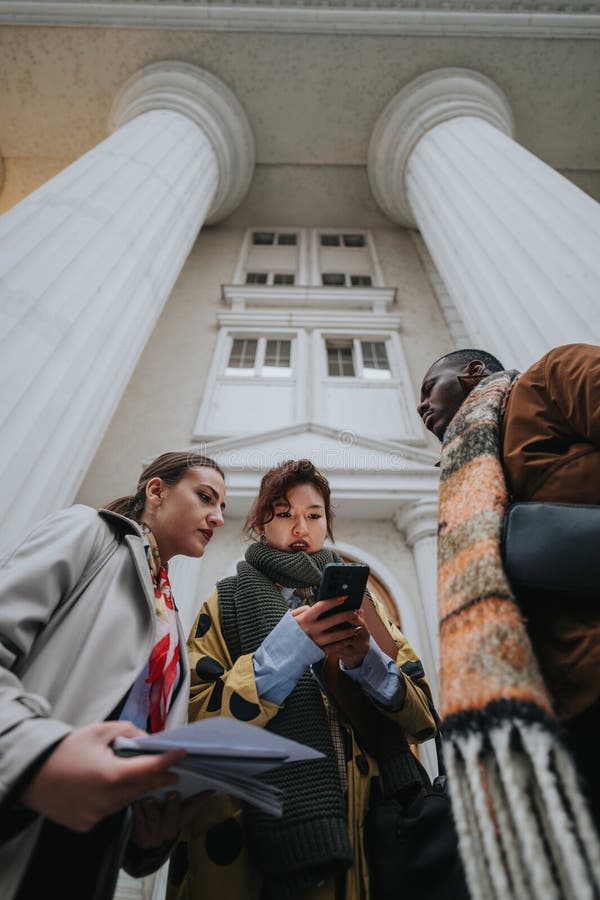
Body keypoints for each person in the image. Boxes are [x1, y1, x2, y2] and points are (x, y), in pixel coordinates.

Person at [168, 458, 436, 900]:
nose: (300, 527)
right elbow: (194, 717)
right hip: (254, 838)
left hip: (370, 833)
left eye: (314, 515)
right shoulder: (226, 601)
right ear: (260, 523)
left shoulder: (365, 602)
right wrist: (287, 651)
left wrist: (364, 660)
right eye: (285, 513)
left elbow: (423, 713)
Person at [0, 451, 226, 900]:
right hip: (22, 814)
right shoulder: (88, 532)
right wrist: (38, 755)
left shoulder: (171, 616)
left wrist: (147, 833)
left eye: (222, 508)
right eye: (205, 497)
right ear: (156, 491)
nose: (217, 517)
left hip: (92, 846)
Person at [417, 343, 600, 826]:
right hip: (556, 715)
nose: (420, 407)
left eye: (429, 388)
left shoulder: (550, 378)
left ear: (474, 372)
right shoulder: (469, 475)